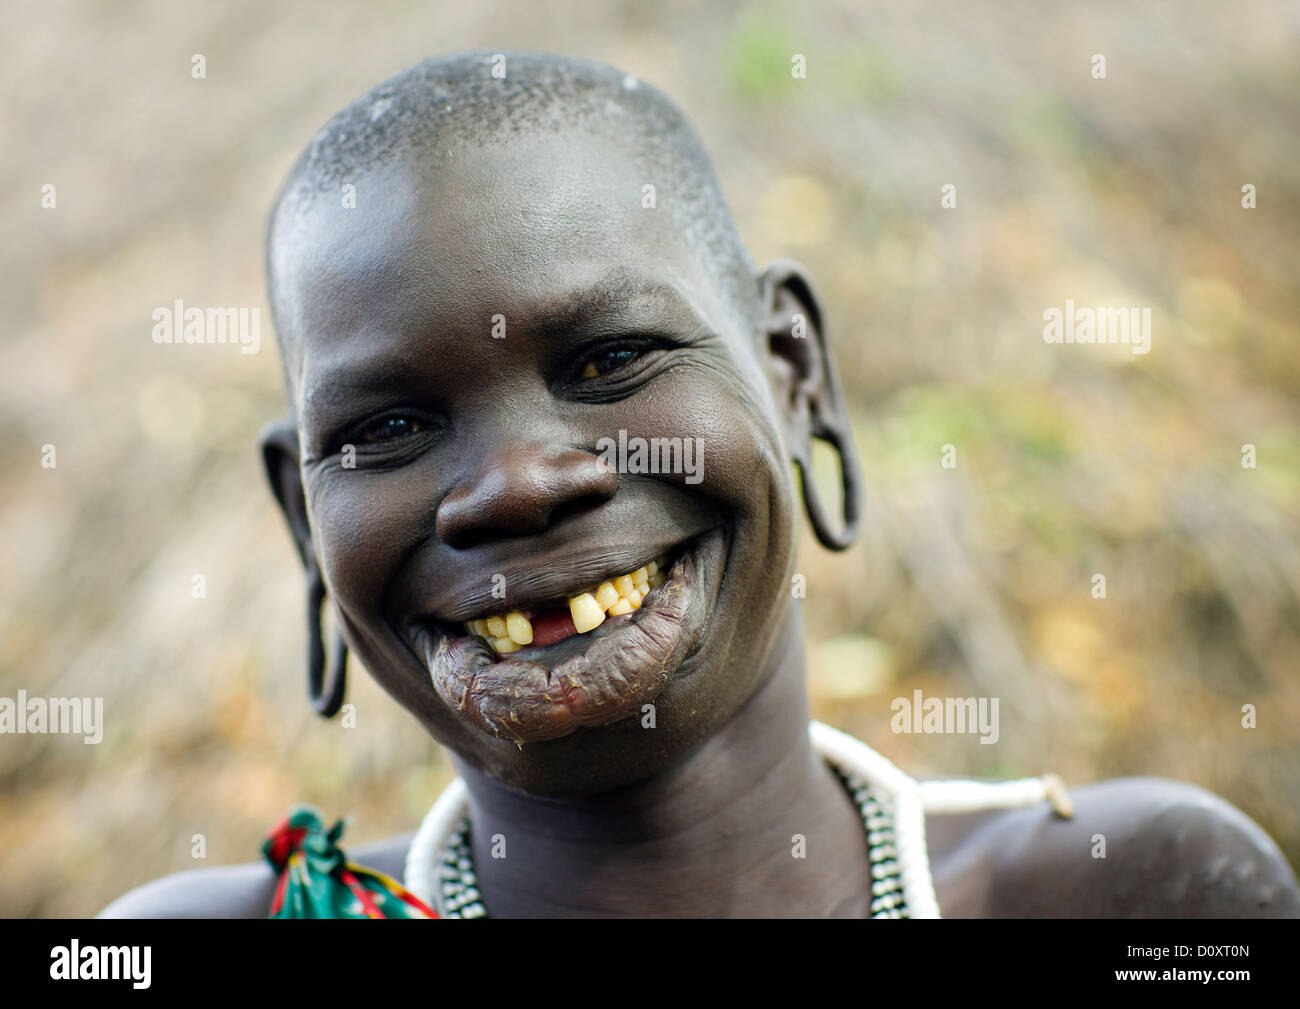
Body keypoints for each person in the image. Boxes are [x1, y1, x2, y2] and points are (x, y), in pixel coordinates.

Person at [101, 51, 1300, 919]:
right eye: (390, 427)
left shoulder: (1145, 893)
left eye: (609, 360)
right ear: (302, 519)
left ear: (792, 373)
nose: (512, 487)